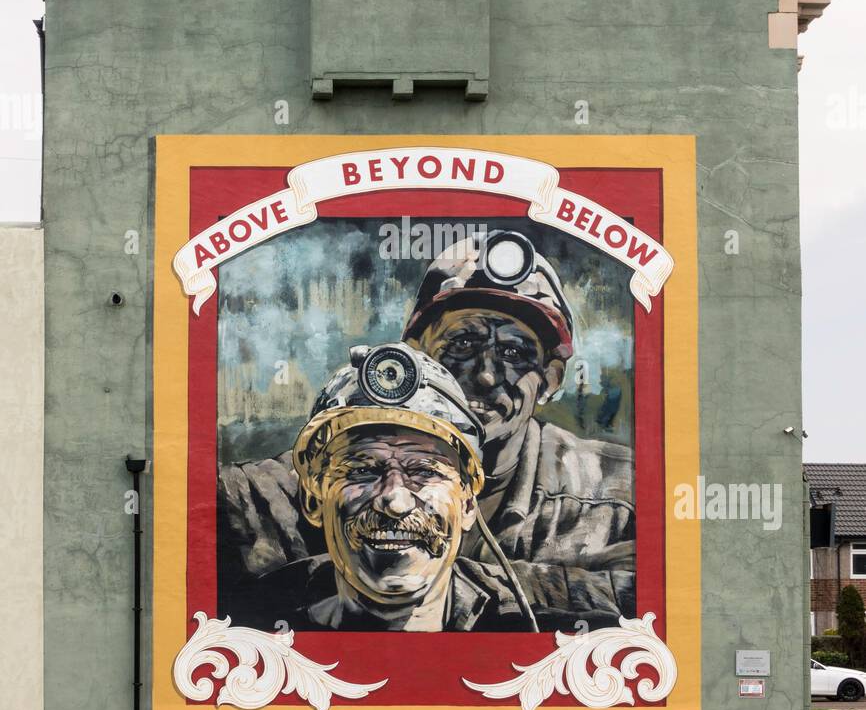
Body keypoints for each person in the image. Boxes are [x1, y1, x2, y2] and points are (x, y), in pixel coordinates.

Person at [402, 229, 635, 617]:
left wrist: (446, 587)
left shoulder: (618, 493)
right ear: (415, 358)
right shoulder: (342, 471)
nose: (487, 377)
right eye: (461, 344)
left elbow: (653, 598)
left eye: (513, 352)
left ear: (550, 381)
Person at [222, 345, 536, 632]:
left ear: (468, 504)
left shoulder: (521, 626)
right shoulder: (245, 626)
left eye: (424, 471)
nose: (395, 501)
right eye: (362, 471)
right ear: (314, 499)